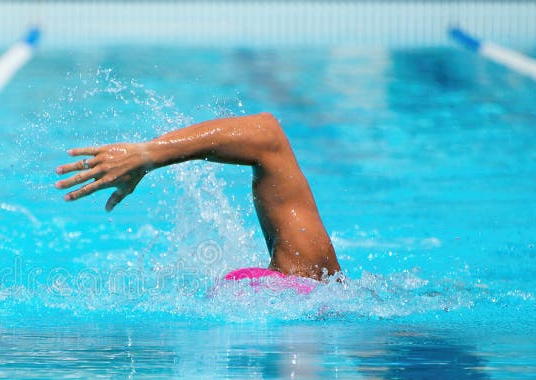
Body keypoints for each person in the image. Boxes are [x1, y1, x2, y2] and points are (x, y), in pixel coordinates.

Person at [54, 112, 340, 282]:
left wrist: (148, 155)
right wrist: (147, 155)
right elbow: (267, 136)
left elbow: (268, 134)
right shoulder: (311, 279)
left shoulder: (312, 280)